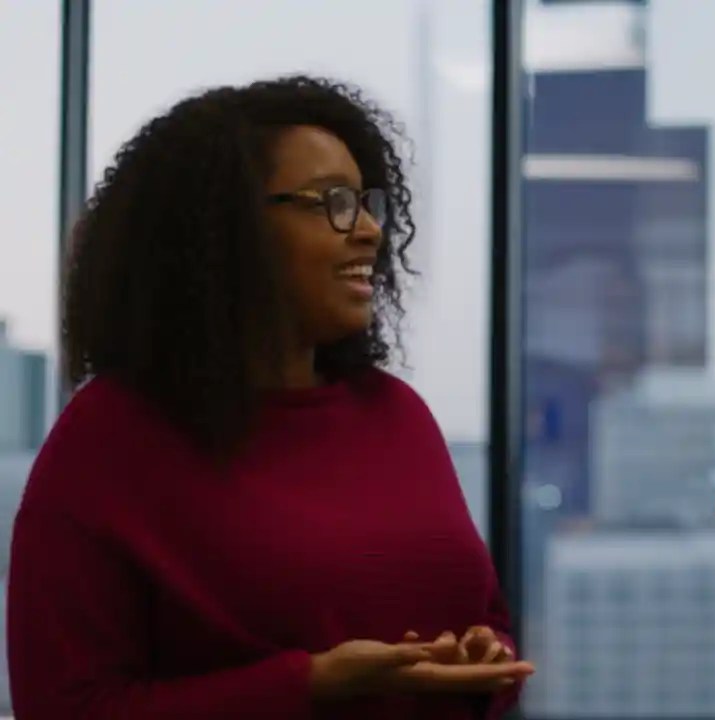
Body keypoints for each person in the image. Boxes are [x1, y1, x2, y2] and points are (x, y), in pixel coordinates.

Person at [8, 76, 534, 719]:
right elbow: (65, 706)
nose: (369, 230)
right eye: (330, 203)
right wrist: (308, 686)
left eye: (367, 202)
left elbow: (487, 618)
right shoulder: (110, 438)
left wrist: (486, 659)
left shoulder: (397, 414)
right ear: (222, 229)